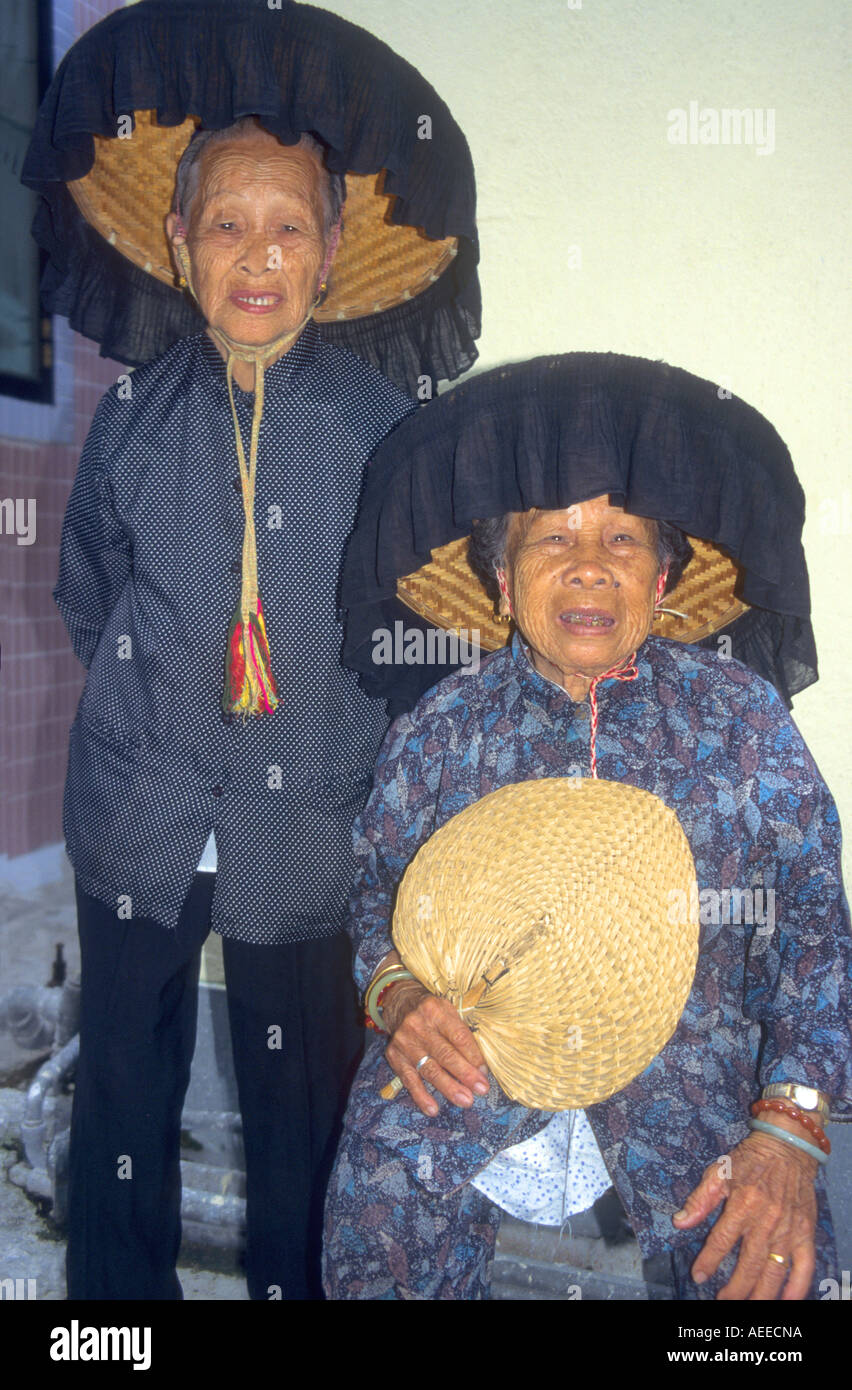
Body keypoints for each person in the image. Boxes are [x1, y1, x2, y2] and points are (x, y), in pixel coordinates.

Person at [30, 1, 481, 1301]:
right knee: (125, 1095)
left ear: (334, 251)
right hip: (141, 811)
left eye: (290, 224)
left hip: (311, 824)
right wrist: (161, 711)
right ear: (177, 245)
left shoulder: (392, 431)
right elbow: (88, 597)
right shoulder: (127, 419)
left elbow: (421, 642)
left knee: (306, 1119)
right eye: (226, 221)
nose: (258, 254)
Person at [323, 354, 852, 1300]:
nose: (587, 564)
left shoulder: (742, 721)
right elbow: (375, 890)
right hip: (480, 1054)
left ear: (661, 581)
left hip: (702, 1070)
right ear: (497, 576)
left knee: (766, 1272)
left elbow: (814, 930)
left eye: (621, 537)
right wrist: (397, 994)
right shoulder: (442, 728)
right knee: (378, 1207)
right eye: (549, 538)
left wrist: (789, 1124)